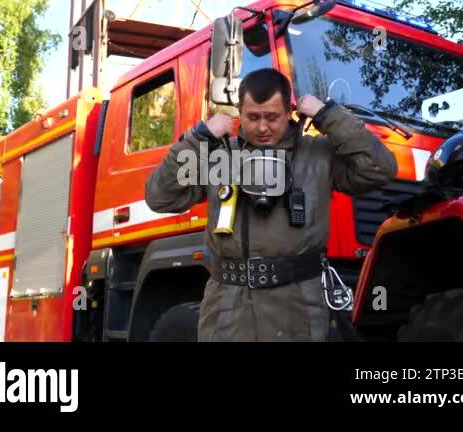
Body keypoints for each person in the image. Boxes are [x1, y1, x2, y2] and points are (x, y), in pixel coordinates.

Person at [146, 68, 397, 342]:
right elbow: (160, 197)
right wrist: (198, 138)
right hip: (227, 310)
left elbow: (380, 169)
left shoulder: (318, 154)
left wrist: (329, 115)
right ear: (239, 112)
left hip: (298, 309)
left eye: (272, 117)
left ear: (289, 112)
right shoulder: (219, 155)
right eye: (253, 117)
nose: (262, 127)